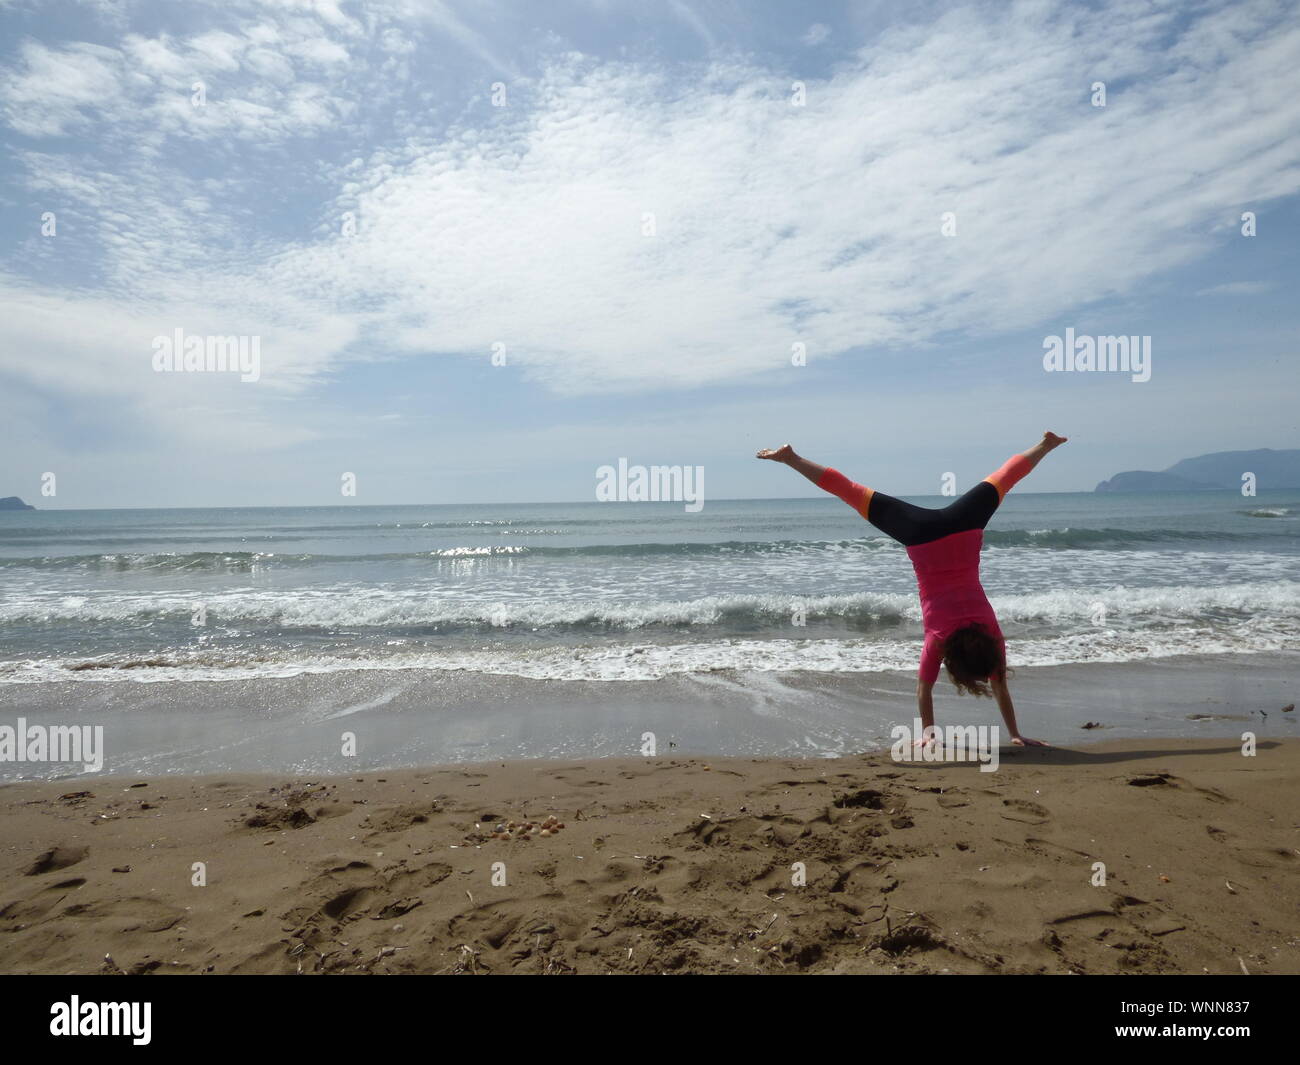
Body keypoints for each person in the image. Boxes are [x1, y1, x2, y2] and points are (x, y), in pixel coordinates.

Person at [756, 432, 1068, 748]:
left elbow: (995, 685)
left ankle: (1047, 444)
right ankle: (790, 459)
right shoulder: (939, 641)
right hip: (920, 535)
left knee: (1004, 479)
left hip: (964, 525)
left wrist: (1012, 733)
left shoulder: (991, 636)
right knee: (852, 494)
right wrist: (938, 734)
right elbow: (925, 690)